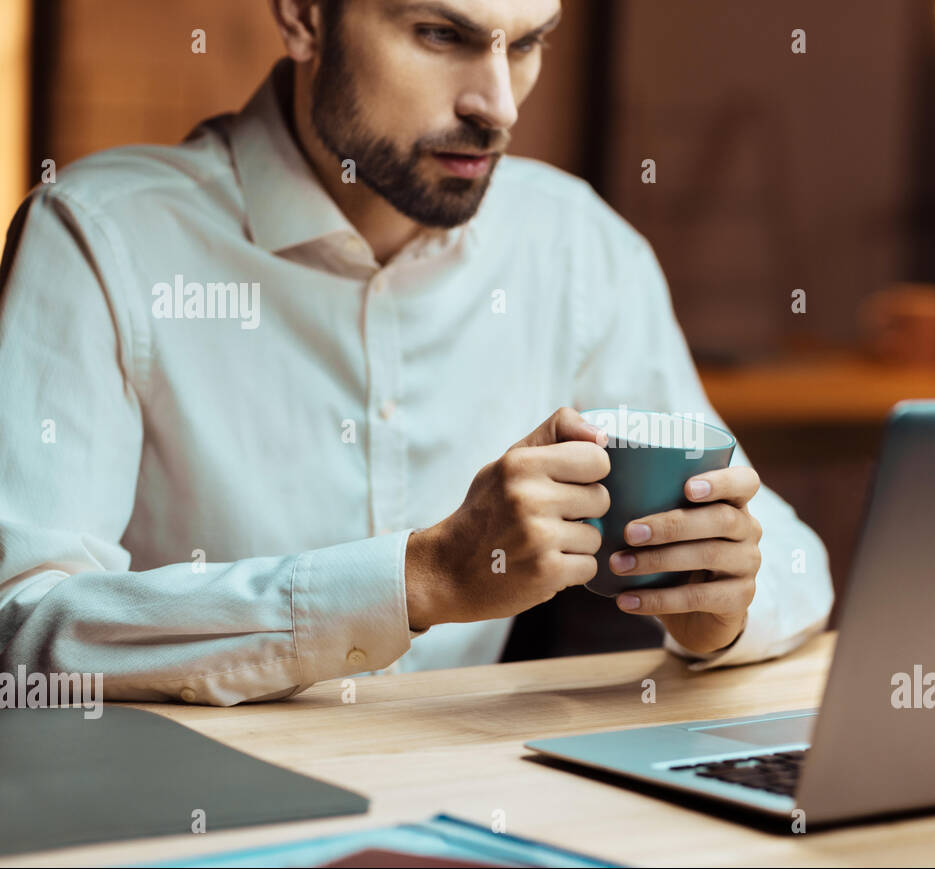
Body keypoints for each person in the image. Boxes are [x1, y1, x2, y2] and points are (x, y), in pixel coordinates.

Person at [0, 0, 833, 705]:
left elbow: (789, 558)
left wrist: (716, 604)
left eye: (531, 42)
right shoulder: (98, 238)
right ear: (301, 15)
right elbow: (24, 627)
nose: (499, 105)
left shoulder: (576, 245)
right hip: (179, 822)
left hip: (472, 804)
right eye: (442, 34)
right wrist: (420, 579)